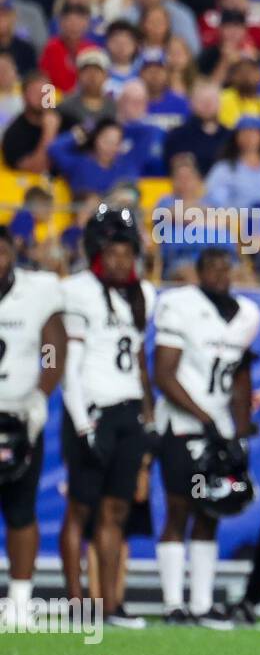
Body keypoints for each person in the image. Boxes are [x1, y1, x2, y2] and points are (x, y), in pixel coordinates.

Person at [59, 204, 157, 628]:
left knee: (116, 510)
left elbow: (137, 360)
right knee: (80, 510)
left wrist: (147, 420)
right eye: (112, 252)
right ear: (96, 252)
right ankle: (77, 602)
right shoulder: (78, 290)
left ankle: (110, 602)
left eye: (126, 252)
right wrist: (83, 424)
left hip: (128, 412)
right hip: (92, 412)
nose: (120, 260)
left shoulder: (142, 294)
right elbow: (68, 367)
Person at [152, 246, 259, 627]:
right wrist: (204, 418)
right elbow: (164, 374)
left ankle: (200, 603)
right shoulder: (180, 304)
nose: (219, 274)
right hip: (182, 426)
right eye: (211, 268)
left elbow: (241, 378)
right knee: (179, 508)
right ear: (198, 272)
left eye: (224, 267)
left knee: (211, 512)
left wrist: (239, 432)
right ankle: (171, 603)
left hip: (220, 427)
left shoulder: (247, 314)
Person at [0, 229, 64, 628]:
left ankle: (20, 601)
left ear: (13, 252)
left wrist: (41, 393)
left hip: (21, 413)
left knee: (21, 508)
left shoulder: (38, 290)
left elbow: (52, 346)